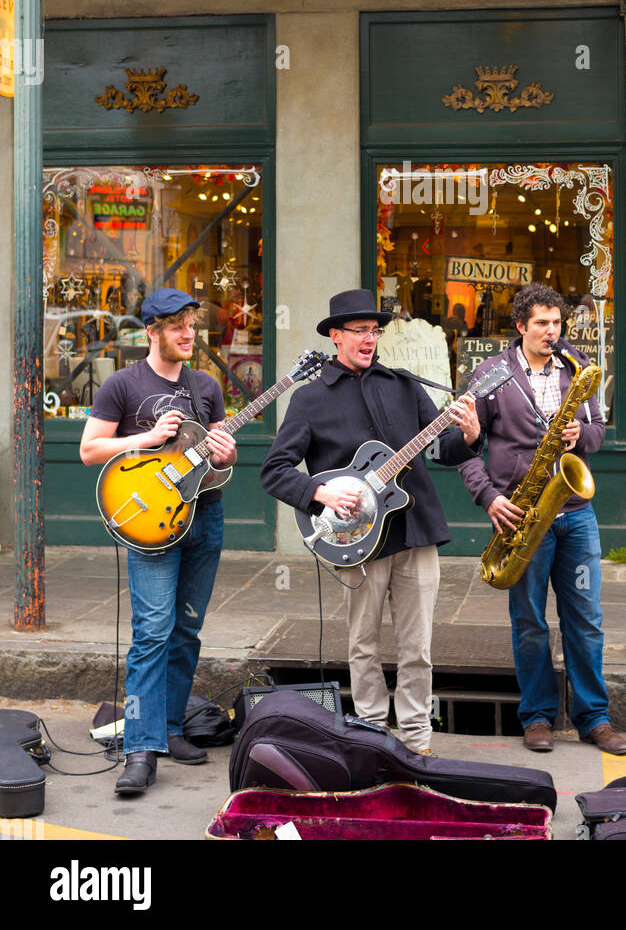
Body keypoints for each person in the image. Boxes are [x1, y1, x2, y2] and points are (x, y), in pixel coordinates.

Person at [260, 288, 481, 755]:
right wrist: (319, 491)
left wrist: (470, 436)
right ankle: (371, 738)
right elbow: (274, 471)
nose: (369, 339)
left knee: (417, 647)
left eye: (374, 331)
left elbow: (441, 450)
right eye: (359, 331)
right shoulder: (310, 399)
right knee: (363, 646)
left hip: (414, 530)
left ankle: (419, 741)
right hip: (355, 539)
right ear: (336, 336)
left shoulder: (403, 384)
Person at [458, 281, 626, 756]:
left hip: (576, 512)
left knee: (586, 619)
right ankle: (536, 717)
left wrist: (582, 435)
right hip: (522, 513)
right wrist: (489, 497)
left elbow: (598, 431)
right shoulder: (491, 374)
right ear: (520, 326)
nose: (551, 332)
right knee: (531, 621)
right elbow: (463, 449)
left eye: (557, 323)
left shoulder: (576, 368)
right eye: (541, 324)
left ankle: (594, 719)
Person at [79, 288, 237, 796]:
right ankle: (141, 750)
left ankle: (170, 728)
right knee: (152, 631)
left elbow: (210, 466)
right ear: (152, 331)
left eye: (192, 324)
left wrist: (226, 456)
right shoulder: (123, 384)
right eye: (176, 326)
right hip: (149, 523)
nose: (188, 334)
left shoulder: (205, 386)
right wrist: (145, 439)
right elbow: (89, 449)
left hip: (202, 517)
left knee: (187, 629)